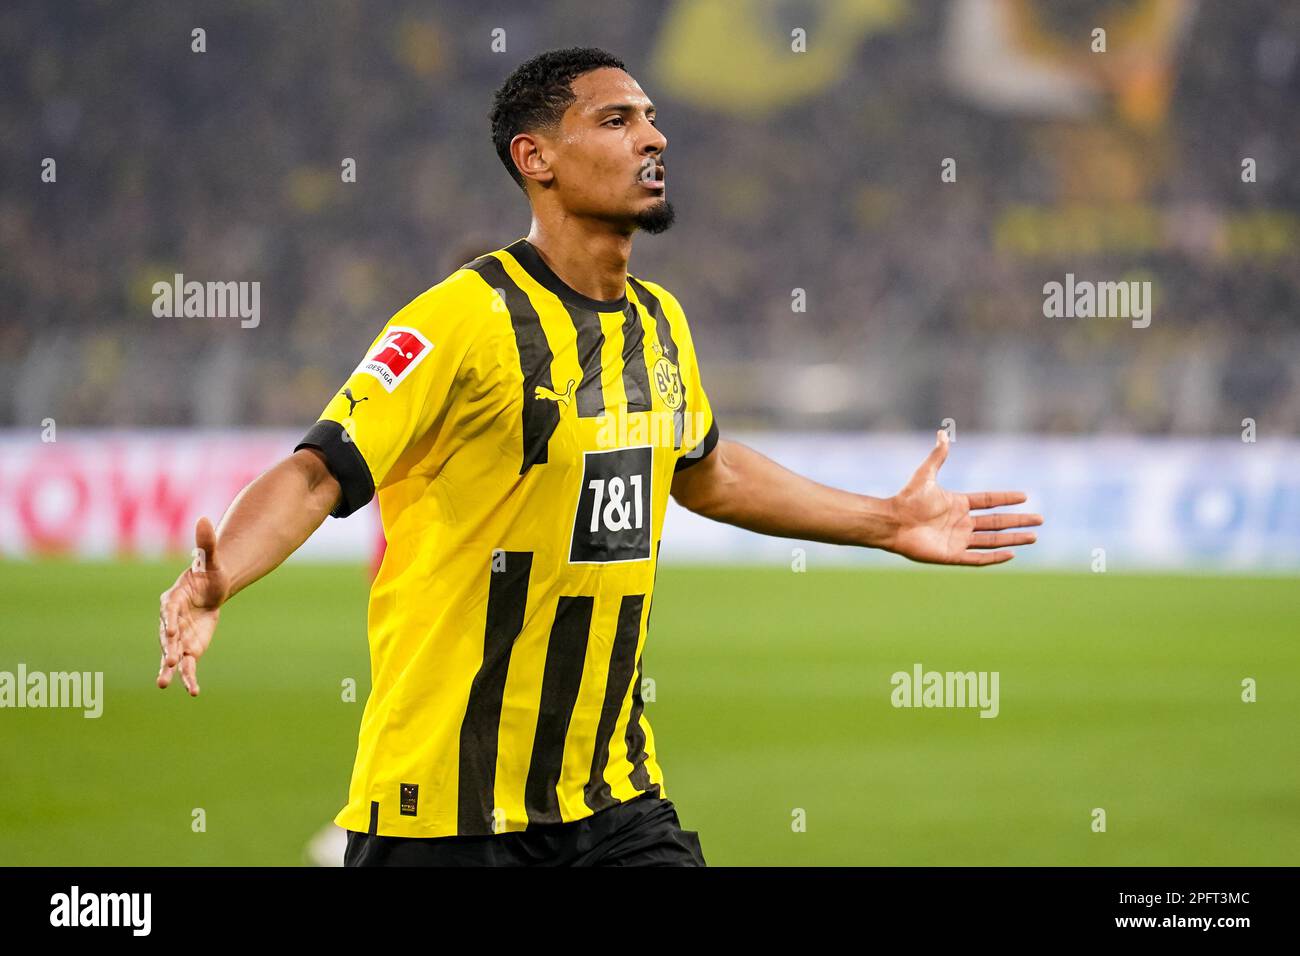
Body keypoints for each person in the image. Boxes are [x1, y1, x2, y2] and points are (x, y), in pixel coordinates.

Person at [156, 47, 1042, 867]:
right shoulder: (459, 320)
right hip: (447, 817)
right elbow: (319, 468)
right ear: (534, 158)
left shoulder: (661, 322)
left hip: (614, 801)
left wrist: (886, 520)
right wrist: (219, 573)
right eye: (616, 121)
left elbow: (710, 473)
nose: (653, 137)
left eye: (651, 118)